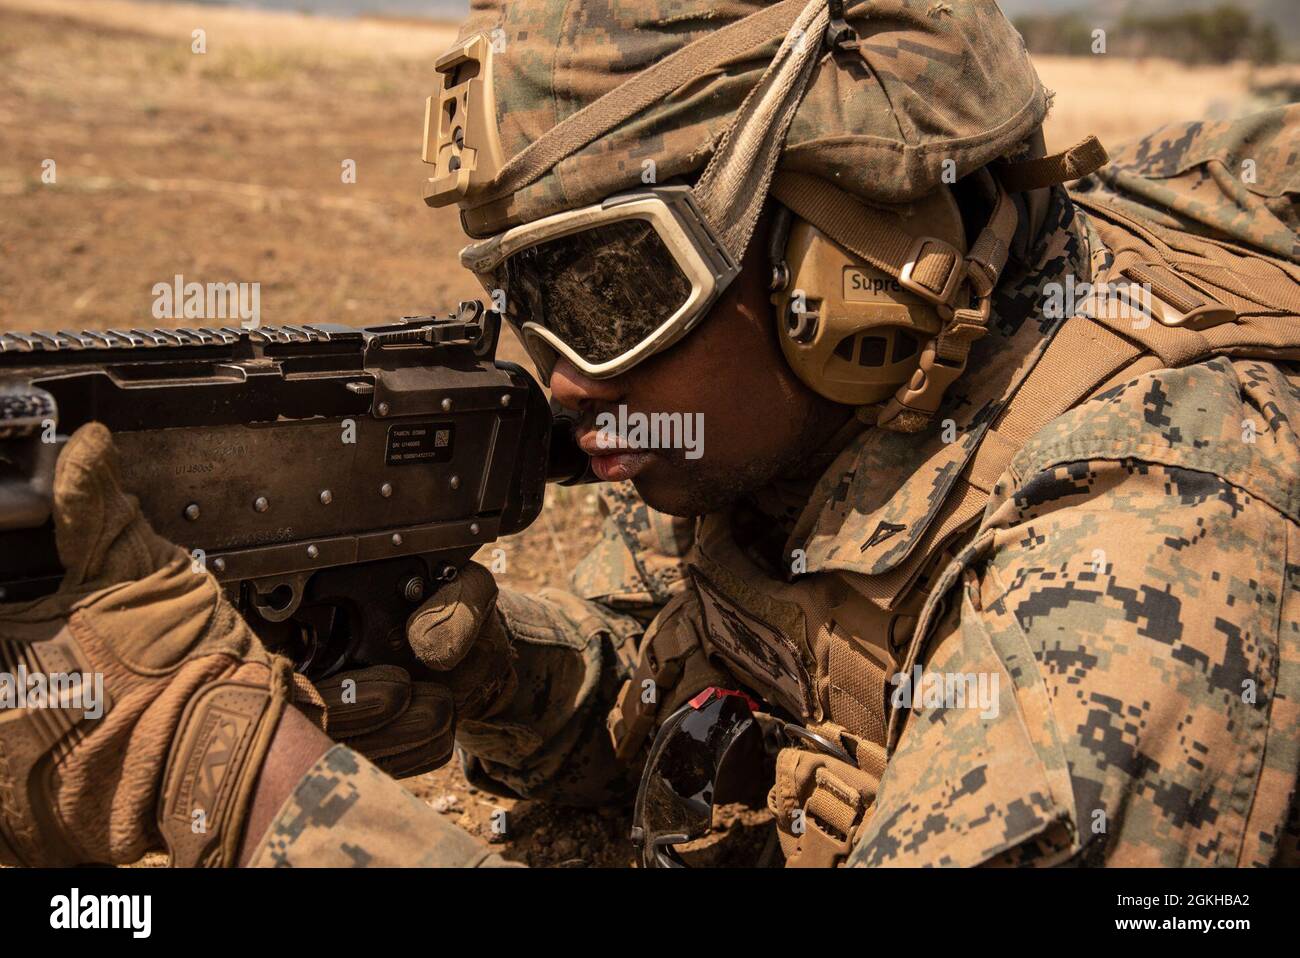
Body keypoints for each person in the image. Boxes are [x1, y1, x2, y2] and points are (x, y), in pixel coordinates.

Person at [2, 0, 1298, 868]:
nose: (556, 376)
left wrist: (233, 772)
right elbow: (684, 686)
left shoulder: (1152, 530)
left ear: (848, 258)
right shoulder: (770, 423)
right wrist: (519, 685)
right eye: (519, 298)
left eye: (604, 290)